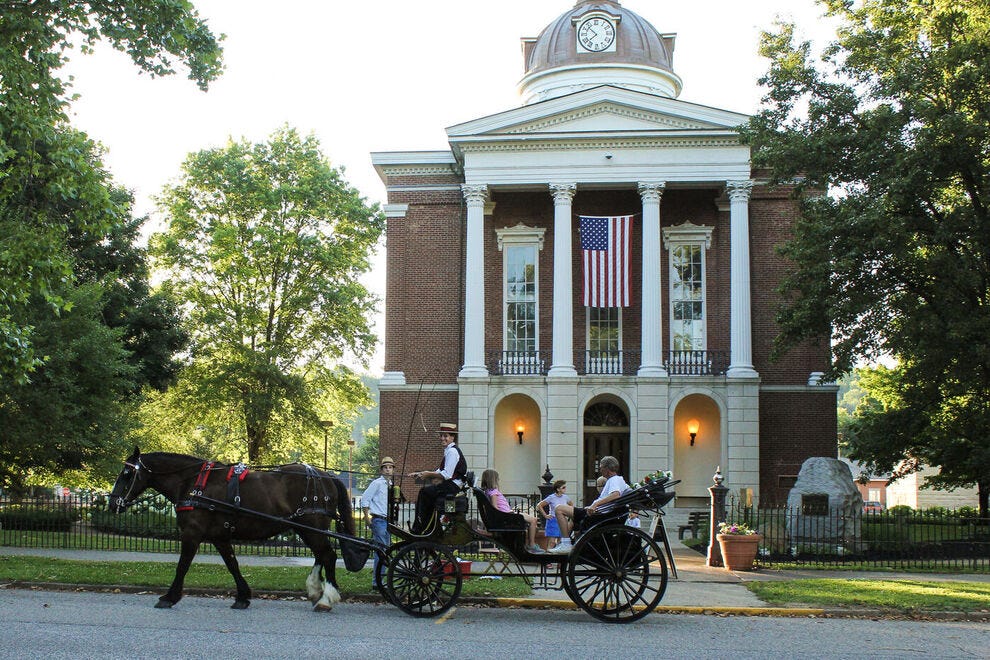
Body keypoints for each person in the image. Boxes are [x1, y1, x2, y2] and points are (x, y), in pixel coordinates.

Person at [550, 455, 629, 554]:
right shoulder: (618, 480)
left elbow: (616, 495)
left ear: (607, 468)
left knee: (559, 509)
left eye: (601, 467)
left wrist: (595, 504)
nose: (600, 470)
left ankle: (566, 544)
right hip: (599, 513)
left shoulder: (614, 480)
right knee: (572, 517)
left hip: (598, 515)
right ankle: (566, 542)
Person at [408, 422, 467, 534]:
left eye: (445, 436)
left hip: (453, 486)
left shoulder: (452, 452)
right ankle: (429, 526)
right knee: (427, 492)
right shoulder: (449, 451)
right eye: (441, 436)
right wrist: (420, 474)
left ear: (452, 437)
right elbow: (439, 471)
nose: (442, 438)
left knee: (424, 492)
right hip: (452, 485)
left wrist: (428, 474)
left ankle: (422, 525)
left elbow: (446, 475)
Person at [481, 469, 541, 554]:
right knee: (533, 520)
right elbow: (495, 509)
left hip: (508, 514)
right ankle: (531, 544)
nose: (498, 480)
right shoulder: (493, 492)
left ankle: (529, 543)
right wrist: (506, 514)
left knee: (532, 522)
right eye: (497, 479)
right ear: (493, 479)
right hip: (507, 516)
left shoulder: (488, 491)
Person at [362, 456, 394, 589]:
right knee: (381, 551)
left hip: (388, 521)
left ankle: (380, 580)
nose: (388, 470)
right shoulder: (376, 483)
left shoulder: (392, 485)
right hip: (379, 520)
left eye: (390, 468)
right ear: (381, 470)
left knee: (385, 550)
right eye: (385, 468)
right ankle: (377, 582)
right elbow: (365, 499)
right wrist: (367, 517)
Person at [537, 480, 571, 550]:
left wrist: (568, 514)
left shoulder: (566, 497)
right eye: (563, 487)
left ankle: (557, 558)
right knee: (552, 541)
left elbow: (571, 505)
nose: (565, 489)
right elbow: (540, 505)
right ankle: (548, 558)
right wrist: (545, 515)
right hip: (553, 520)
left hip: (563, 521)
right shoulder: (551, 497)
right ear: (558, 489)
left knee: (560, 541)